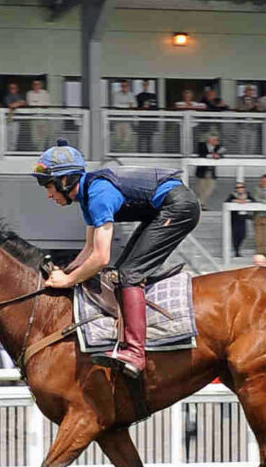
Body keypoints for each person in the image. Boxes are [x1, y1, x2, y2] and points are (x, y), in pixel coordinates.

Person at [29, 142, 197, 377]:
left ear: (65, 180)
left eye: (49, 186)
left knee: (129, 275)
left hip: (178, 207)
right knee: (121, 274)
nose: (49, 195)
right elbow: (89, 249)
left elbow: (100, 257)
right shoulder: (87, 197)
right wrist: (66, 272)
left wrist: (68, 281)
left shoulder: (98, 195)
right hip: (162, 209)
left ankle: (136, 352)